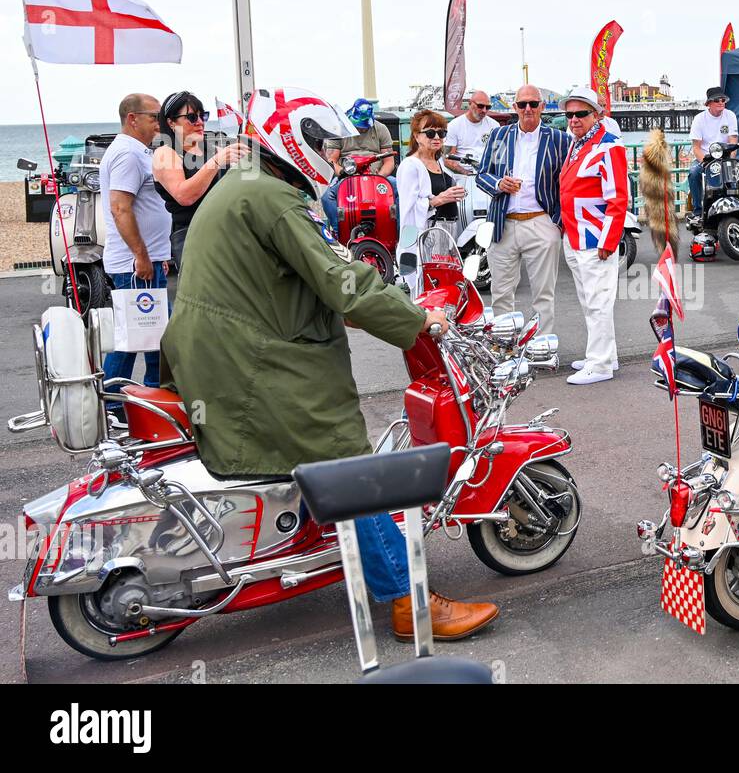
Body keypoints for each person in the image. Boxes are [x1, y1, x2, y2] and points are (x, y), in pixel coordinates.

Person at [160, 86, 497, 642]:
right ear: (296, 142)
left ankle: (333, 546)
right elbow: (343, 277)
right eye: (329, 145)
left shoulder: (247, 186)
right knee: (348, 460)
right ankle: (408, 602)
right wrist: (417, 319)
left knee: (330, 445)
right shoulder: (273, 198)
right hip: (252, 362)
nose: (337, 156)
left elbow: (299, 280)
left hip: (224, 348)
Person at [475, 84, 572, 336]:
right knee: (501, 293)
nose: (527, 109)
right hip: (503, 224)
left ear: (542, 107)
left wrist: (557, 223)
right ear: (514, 108)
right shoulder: (499, 136)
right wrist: (498, 184)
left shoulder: (560, 139)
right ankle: (506, 349)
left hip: (541, 222)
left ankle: (542, 348)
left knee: (543, 295)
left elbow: (568, 183)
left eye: (533, 104)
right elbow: (482, 175)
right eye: (522, 104)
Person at [558, 87, 629, 385]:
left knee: (598, 301)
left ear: (596, 115)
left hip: (594, 238)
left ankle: (599, 364)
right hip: (575, 235)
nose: (574, 119)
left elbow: (618, 198)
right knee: (590, 301)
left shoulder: (608, 146)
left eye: (581, 114)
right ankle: (603, 355)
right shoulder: (578, 144)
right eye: (569, 114)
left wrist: (608, 241)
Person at [101, 93, 169, 398]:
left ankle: (154, 398)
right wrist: (142, 256)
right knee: (134, 339)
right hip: (135, 266)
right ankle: (113, 404)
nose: (160, 123)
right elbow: (120, 208)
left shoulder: (137, 151)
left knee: (152, 336)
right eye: (154, 116)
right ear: (133, 118)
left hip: (147, 262)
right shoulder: (128, 154)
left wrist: (156, 256)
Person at [151, 91, 249, 272]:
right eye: (191, 117)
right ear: (171, 122)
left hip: (227, 235)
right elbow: (184, 196)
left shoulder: (212, 149)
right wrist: (217, 161)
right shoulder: (166, 153)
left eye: (203, 115)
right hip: (194, 237)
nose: (200, 122)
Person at [395, 111, 464, 287]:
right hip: (428, 235)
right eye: (430, 133)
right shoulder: (410, 166)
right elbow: (408, 210)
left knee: (446, 284)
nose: (437, 137)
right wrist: (439, 200)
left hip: (447, 231)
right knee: (430, 285)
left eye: (442, 133)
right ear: (417, 136)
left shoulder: (439, 162)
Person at [320, 98, 395, 230]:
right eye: (359, 126)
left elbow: (389, 161)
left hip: (376, 177)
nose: (361, 129)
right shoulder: (338, 129)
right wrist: (342, 172)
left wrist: (381, 176)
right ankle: (339, 231)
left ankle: (398, 231)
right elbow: (332, 160)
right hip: (348, 176)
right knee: (327, 196)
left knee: (399, 189)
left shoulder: (381, 129)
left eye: (364, 126)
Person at [687, 87, 738, 226]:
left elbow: (733, 141)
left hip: (725, 157)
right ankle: (697, 212)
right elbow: (696, 147)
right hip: (705, 157)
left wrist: (731, 159)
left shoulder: (730, 115)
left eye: (723, 99)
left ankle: (733, 210)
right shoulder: (699, 119)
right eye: (717, 100)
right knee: (693, 173)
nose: (721, 102)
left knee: (737, 173)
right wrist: (706, 161)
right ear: (709, 103)